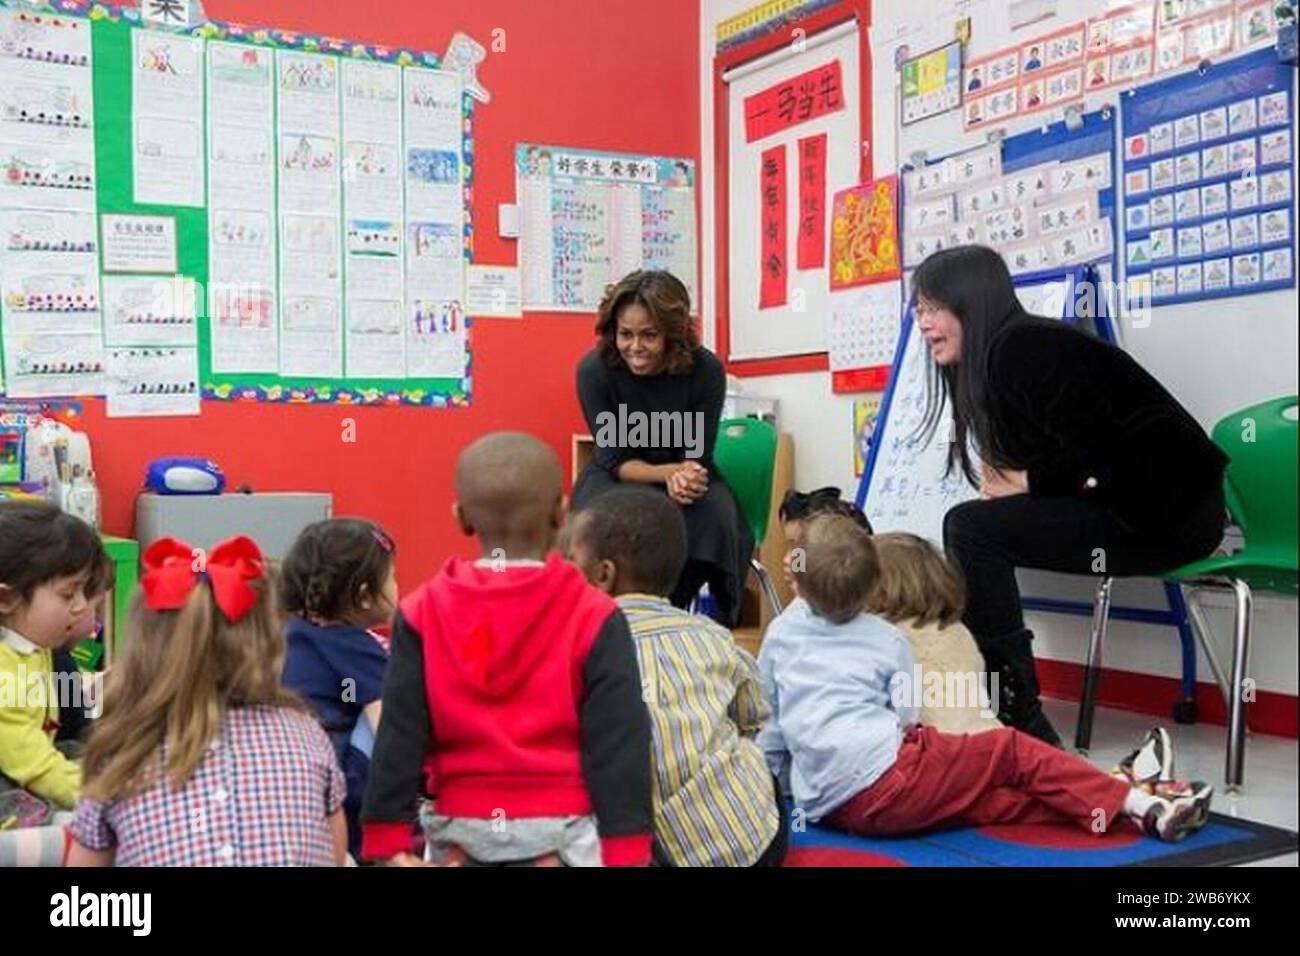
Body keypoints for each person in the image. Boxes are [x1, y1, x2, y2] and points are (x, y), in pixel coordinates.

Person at [914, 246, 1226, 746]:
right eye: (919, 310)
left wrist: (1031, 482)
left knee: (970, 530)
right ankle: (1009, 708)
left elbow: (1106, 458)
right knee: (974, 528)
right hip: (1130, 504)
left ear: (972, 302)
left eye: (935, 309)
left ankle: (1017, 717)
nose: (924, 324)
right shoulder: (997, 356)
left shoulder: (1024, 349)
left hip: (1174, 515)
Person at [758, 514, 1214, 844]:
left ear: (797, 583)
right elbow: (906, 715)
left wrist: (778, 789)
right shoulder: (884, 639)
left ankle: (1122, 805)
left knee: (996, 804)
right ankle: (1138, 802)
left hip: (836, 810)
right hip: (889, 783)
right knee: (1010, 751)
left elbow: (772, 725)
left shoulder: (780, 634)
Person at [361, 432, 653, 867]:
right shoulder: (595, 615)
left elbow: (400, 733)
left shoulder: (422, 611)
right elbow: (620, 741)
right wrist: (628, 851)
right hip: (562, 829)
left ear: (461, 516)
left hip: (461, 825)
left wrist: (386, 839)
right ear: (560, 511)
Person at [67, 535, 347, 866]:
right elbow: (335, 855)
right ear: (269, 642)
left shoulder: (121, 755)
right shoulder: (307, 733)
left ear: (141, 648)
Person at [566, 487, 787, 867]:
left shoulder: (575, 651)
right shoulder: (712, 636)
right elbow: (754, 715)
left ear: (604, 575)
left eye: (572, 561)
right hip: (755, 844)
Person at [572, 270, 753, 626]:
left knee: (714, 516)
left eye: (649, 336)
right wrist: (670, 474)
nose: (635, 348)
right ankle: (601, 619)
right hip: (619, 474)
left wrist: (686, 475)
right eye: (626, 334)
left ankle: (678, 611)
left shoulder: (705, 370)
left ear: (673, 334)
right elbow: (613, 459)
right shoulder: (595, 370)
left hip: (684, 469)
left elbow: (697, 453)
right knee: (598, 520)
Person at [280, 517, 397, 859]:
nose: (396, 585)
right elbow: (389, 727)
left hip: (295, 787)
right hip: (342, 790)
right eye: (392, 576)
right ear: (364, 596)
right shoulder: (356, 647)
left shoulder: (292, 633)